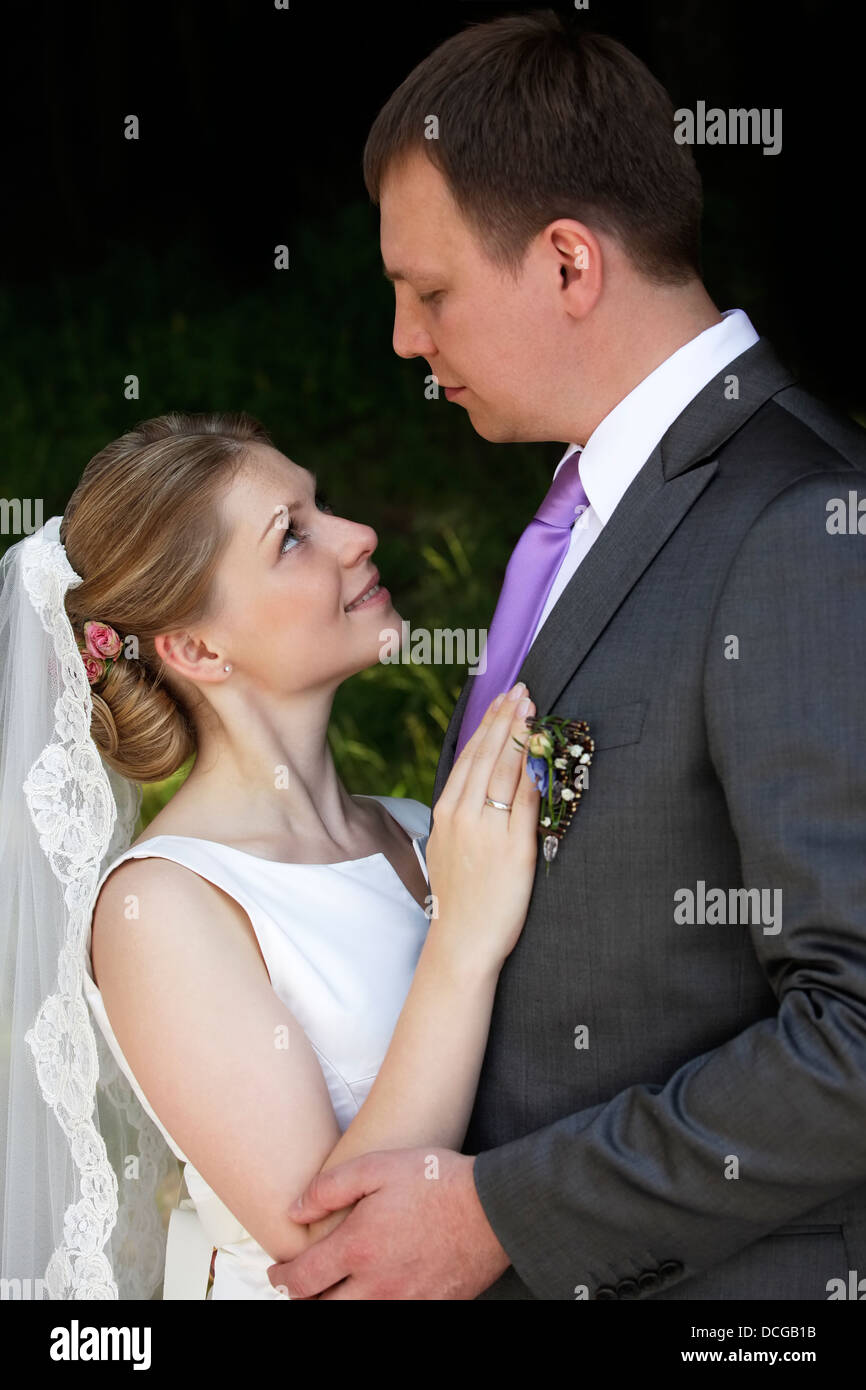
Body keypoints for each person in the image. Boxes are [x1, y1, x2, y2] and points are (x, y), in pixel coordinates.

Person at [268, 12, 866, 1300]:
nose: (401, 341)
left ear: (566, 264)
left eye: (427, 291)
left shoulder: (799, 529)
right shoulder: (596, 512)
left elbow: (855, 1035)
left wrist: (501, 1213)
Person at [0, 410, 540, 1299]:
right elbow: (337, 1253)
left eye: (319, 507)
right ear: (198, 649)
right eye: (293, 536)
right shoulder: (163, 907)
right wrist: (465, 939)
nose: (359, 535)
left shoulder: (419, 829)